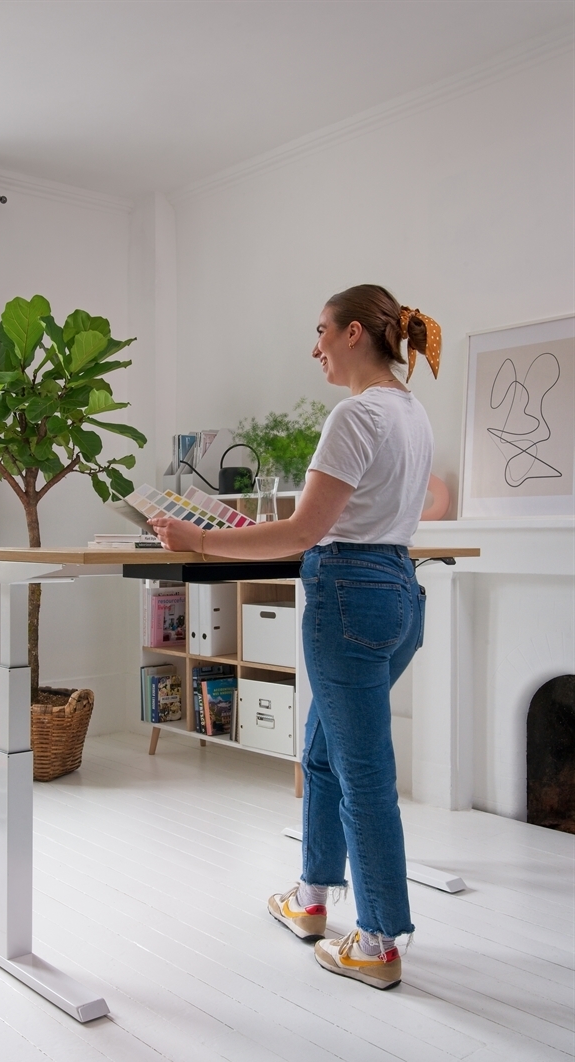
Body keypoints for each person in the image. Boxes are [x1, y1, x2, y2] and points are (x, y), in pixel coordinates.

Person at [150, 284, 440, 990]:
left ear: (352, 334)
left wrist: (200, 539)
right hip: (398, 590)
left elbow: (307, 532)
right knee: (322, 751)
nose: (313, 348)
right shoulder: (413, 413)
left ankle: (377, 940)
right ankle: (312, 897)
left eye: (320, 332)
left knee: (362, 768)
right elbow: (354, 518)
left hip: (347, 594)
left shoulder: (355, 414)